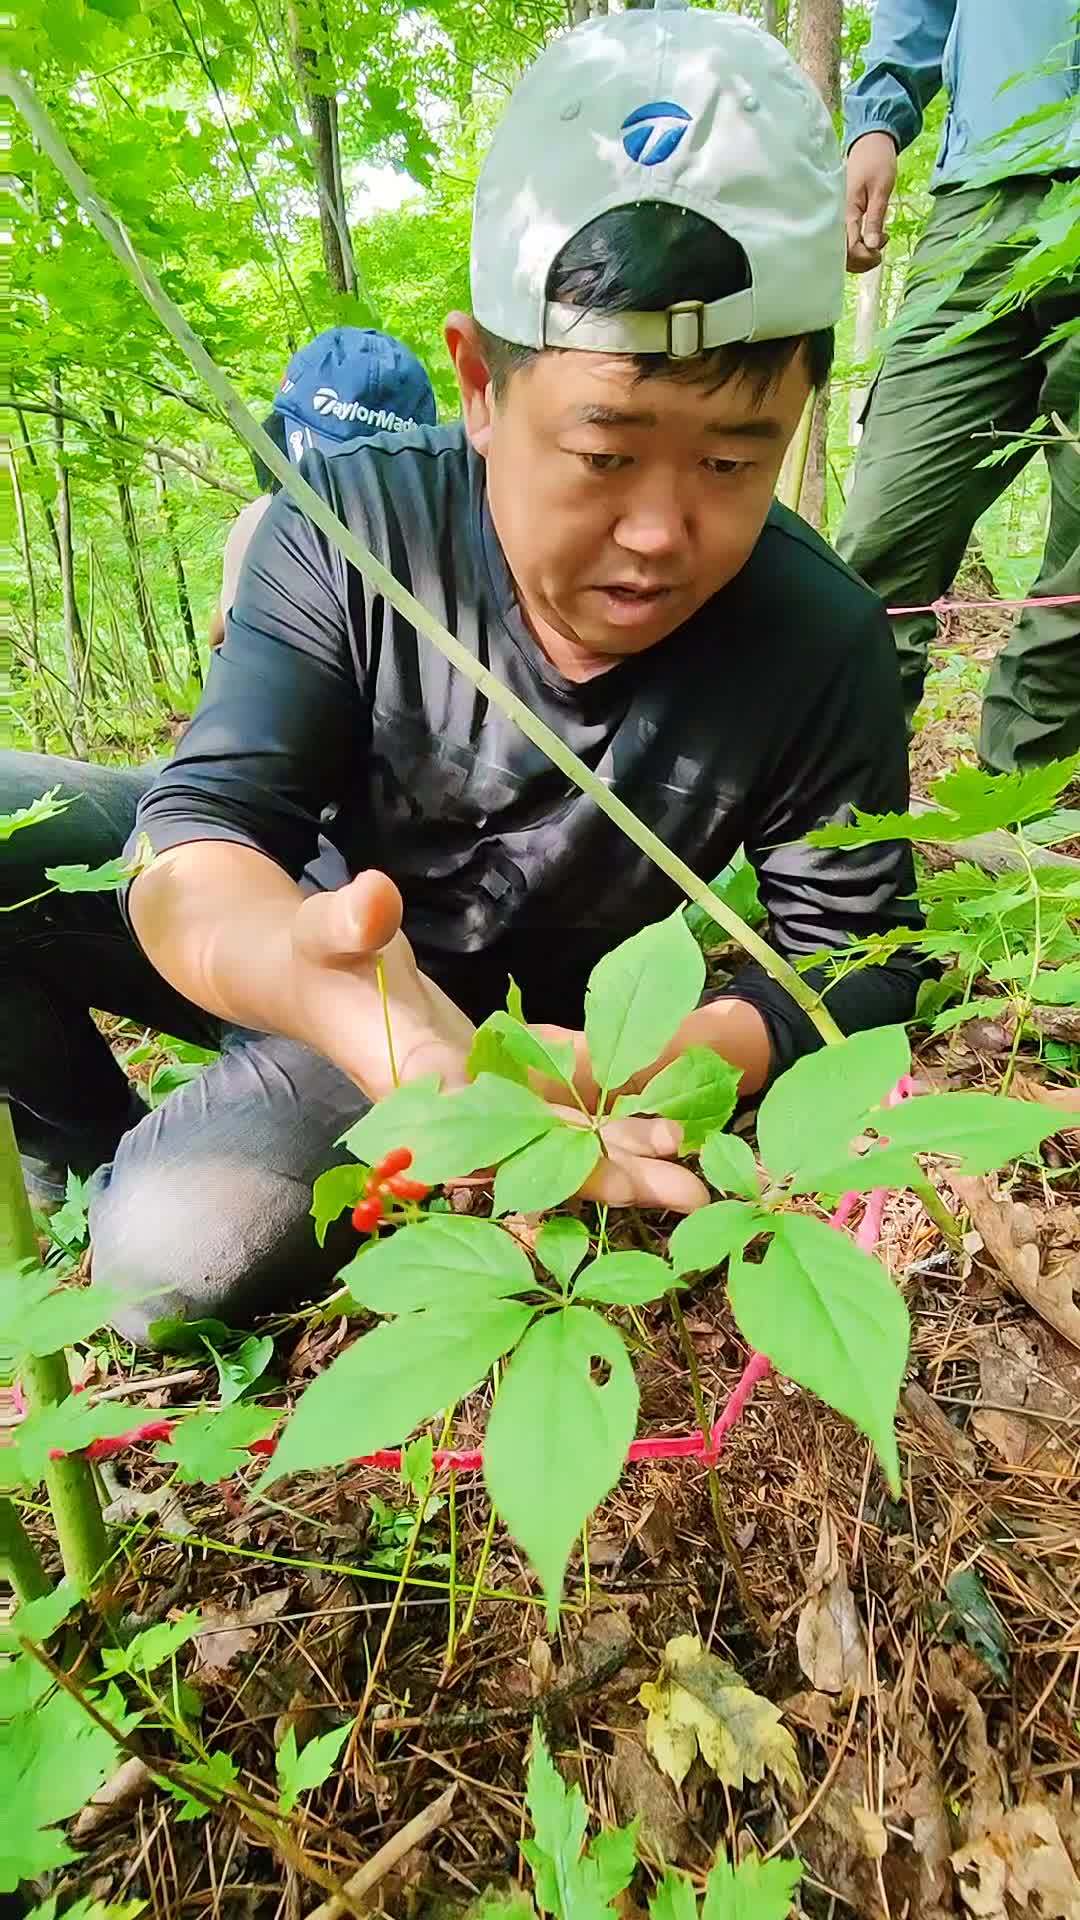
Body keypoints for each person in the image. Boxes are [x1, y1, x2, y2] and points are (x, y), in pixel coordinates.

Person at [1, 5, 925, 1346]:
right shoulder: (356, 528)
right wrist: (311, 971)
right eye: (604, 454)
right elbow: (206, 830)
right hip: (313, 937)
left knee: (163, 1270)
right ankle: (83, 1159)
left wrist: (666, 1057)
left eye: (734, 459)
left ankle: (149, 1208)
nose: (661, 530)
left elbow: (864, 958)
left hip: (505, 1034)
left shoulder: (815, 639)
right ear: (481, 385)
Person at [837, 0, 1080, 770]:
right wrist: (878, 120)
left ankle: (1012, 808)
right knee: (879, 543)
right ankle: (831, 812)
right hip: (979, 196)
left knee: (1078, 589)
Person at [208, 326, 437, 648]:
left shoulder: (458, 538)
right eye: (331, 474)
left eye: (377, 477)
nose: (355, 496)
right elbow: (226, 637)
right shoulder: (261, 529)